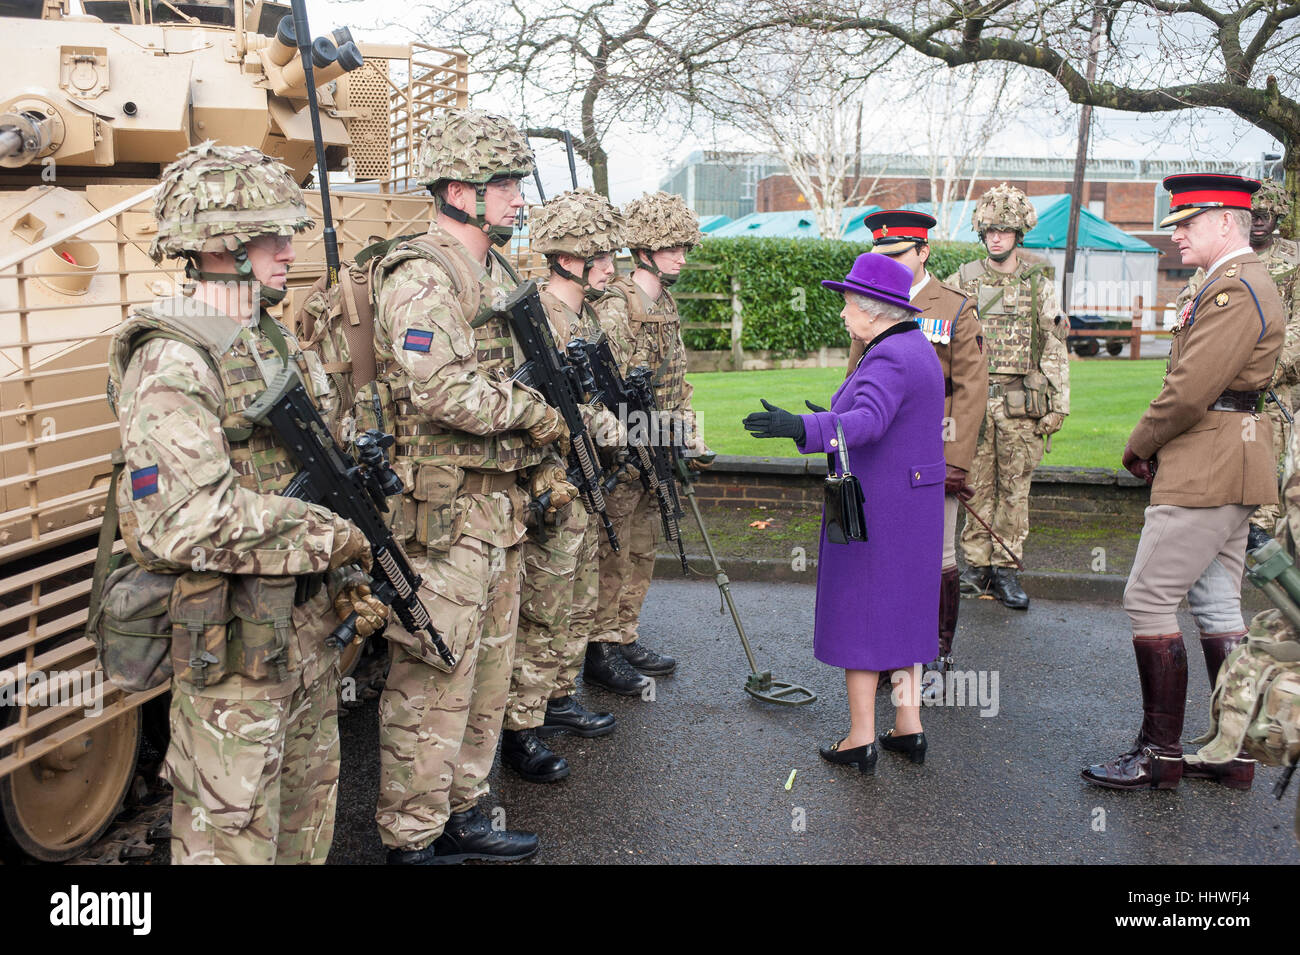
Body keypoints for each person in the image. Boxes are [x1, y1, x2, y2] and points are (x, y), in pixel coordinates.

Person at [106, 142, 385, 864]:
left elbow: (321, 473)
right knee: (230, 842)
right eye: (270, 234)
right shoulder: (171, 358)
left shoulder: (272, 342)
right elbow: (179, 521)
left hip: (305, 635)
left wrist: (350, 575)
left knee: (306, 825)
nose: (288, 249)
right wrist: (328, 535)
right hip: (234, 655)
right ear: (219, 243)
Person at [370, 108, 569, 863]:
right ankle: (411, 837)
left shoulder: (497, 271)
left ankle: (464, 810)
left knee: (487, 674)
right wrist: (538, 414)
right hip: (443, 515)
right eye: (507, 185)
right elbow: (442, 391)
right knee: (434, 679)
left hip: (498, 508)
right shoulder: (421, 272)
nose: (519, 199)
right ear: (462, 189)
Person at [1083, 173, 1284, 791]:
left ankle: (1158, 753)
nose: (1175, 235)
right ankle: (1230, 751)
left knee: (1147, 598)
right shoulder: (1236, 283)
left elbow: (1191, 389)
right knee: (1218, 603)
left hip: (1205, 464)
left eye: (1187, 223)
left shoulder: (1233, 288)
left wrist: (1139, 443)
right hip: (1234, 460)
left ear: (1228, 221)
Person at [742, 253, 946, 772]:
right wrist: (831, 418)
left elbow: (870, 423)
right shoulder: (914, 345)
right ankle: (907, 727)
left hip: (877, 510)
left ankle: (860, 738)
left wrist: (802, 429)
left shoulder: (888, 356)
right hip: (913, 506)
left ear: (875, 310)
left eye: (848, 303)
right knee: (904, 615)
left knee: (863, 616)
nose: (841, 313)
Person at [501, 188, 625, 781]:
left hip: (582, 476)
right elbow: (551, 400)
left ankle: (556, 697)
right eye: (599, 255)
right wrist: (617, 430)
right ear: (568, 257)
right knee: (543, 610)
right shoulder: (539, 315)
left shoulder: (585, 314)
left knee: (576, 600)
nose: (610, 266)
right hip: (551, 478)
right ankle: (521, 729)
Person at [587, 191, 711, 693]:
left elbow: (676, 379)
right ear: (643, 249)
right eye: (672, 246)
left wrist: (687, 436)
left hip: (655, 447)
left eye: (685, 246)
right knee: (611, 549)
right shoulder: (616, 307)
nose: (682, 256)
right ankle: (597, 648)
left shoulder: (665, 302)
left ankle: (623, 633)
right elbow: (605, 390)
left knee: (642, 546)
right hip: (622, 450)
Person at [856, 210, 987, 671]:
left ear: (923, 251)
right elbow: (858, 375)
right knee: (888, 549)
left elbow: (972, 388)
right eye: (880, 253)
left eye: (897, 254)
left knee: (937, 555)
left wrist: (956, 461)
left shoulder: (953, 306)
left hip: (934, 447)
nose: (888, 261)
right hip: (881, 448)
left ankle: (935, 653)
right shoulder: (869, 298)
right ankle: (894, 650)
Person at [946, 184, 1070, 610]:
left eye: (1006, 230)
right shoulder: (961, 281)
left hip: (1021, 406)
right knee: (975, 487)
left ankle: (1006, 569)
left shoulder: (1038, 283)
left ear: (1020, 233)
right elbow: (942, 344)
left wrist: (1058, 406)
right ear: (982, 233)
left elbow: (1055, 347)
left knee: (1015, 490)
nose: (997, 238)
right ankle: (975, 568)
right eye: (991, 231)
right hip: (975, 404)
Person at [1174, 178, 1300, 549]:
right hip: (1220, 389)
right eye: (1252, 214)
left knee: (1265, 465)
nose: (1259, 221)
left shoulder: (1294, 259)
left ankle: (1256, 538)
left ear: (1278, 216)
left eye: (1266, 215)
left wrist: (1268, 369)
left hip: (1276, 388)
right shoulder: (1219, 259)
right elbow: (1190, 310)